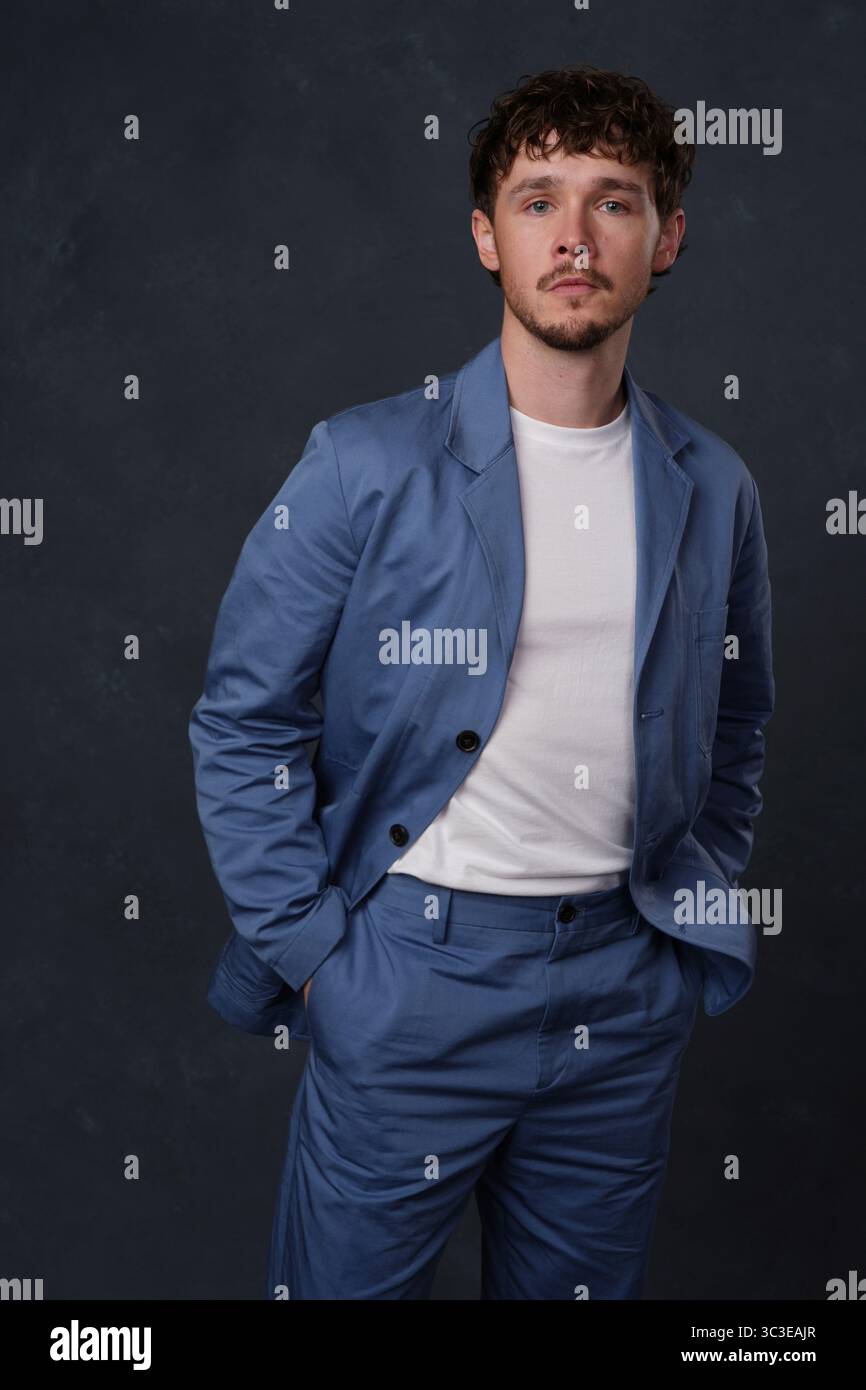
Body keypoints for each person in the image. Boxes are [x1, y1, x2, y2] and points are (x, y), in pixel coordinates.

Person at [188, 63, 775, 1300]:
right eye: (536, 199)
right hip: (409, 979)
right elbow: (243, 723)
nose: (572, 236)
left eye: (611, 201)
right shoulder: (362, 464)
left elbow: (735, 724)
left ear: (663, 238)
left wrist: (683, 935)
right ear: (483, 235)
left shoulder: (711, 484)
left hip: (621, 991)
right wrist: (317, 960)